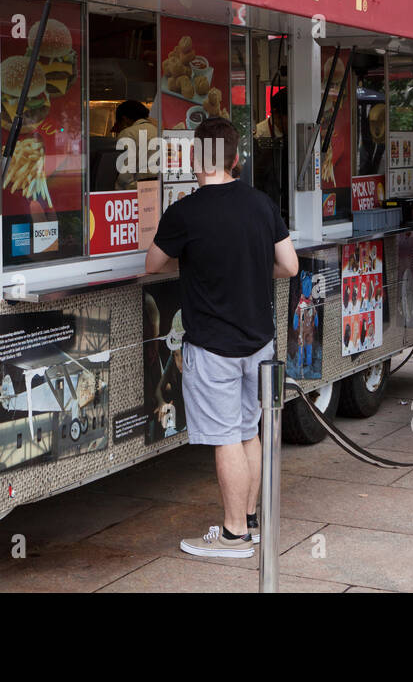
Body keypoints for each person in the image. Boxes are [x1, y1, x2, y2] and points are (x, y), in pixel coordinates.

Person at [145, 116, 298, 556]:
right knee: (249, 432)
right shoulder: (261, 204)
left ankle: (233, 536)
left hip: (212, 348)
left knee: (226, 437)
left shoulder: (185, 213)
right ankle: (249, 520)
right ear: (235, 158)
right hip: (259, 343)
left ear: (196, 158)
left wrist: (194, 260)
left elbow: (153, 264)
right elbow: (289, 266)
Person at [111, 100, 159, 190]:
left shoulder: (128, 133)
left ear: (124, 119)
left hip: (137, 189)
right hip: (157, 187)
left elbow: (125, 173)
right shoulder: (158, 131)